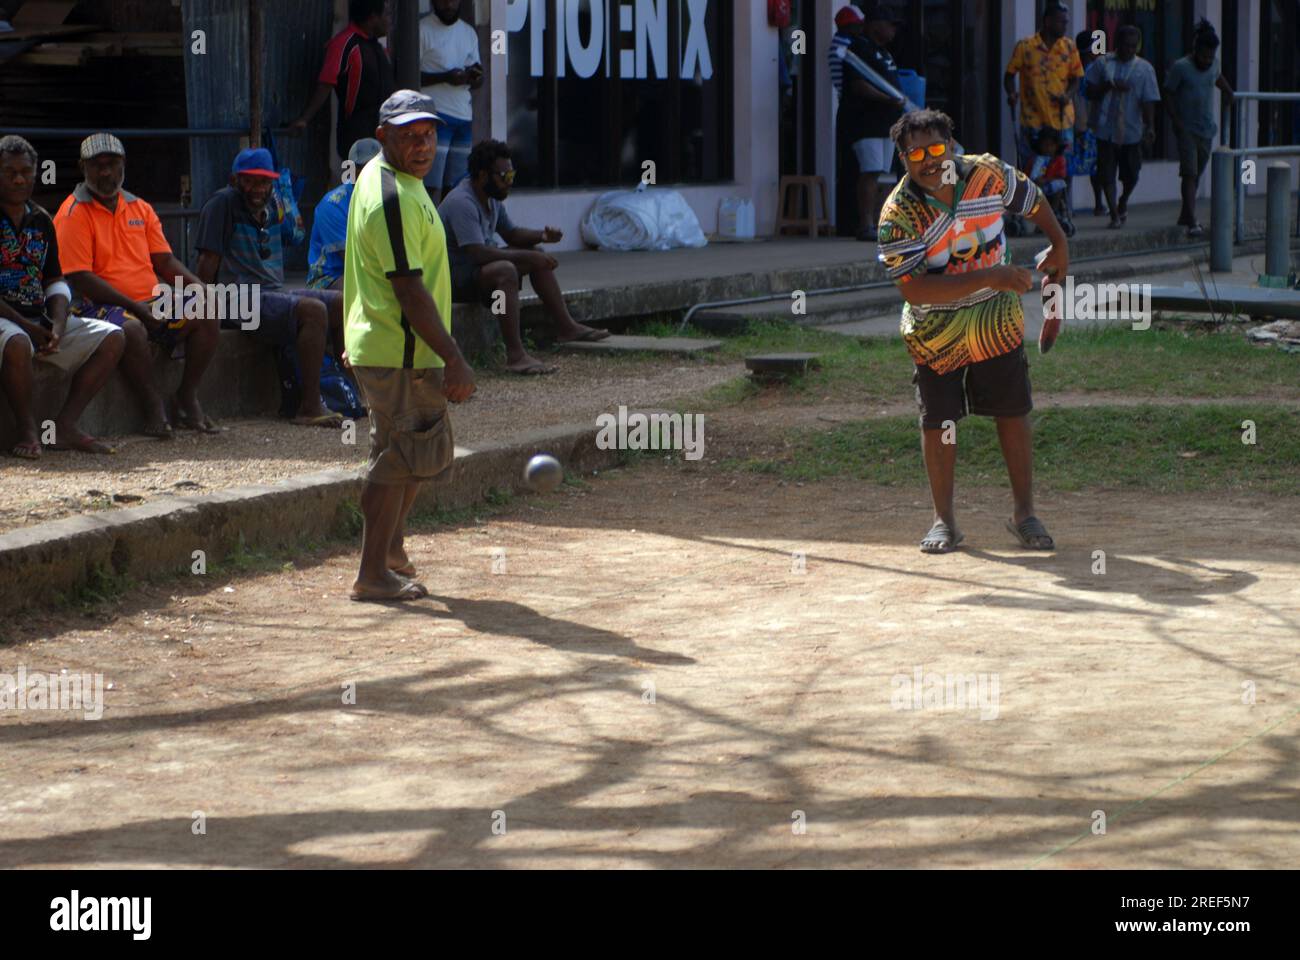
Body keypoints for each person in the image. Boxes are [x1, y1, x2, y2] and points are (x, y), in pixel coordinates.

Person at [876, 109, 1067, 555]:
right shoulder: (897, 215)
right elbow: (915, 290)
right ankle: (944, 520)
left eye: (937, 149)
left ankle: (1025, 513)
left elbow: (1032, 199)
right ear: (902, 159)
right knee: (939, 421)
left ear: (953, 147)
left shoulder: (988, 175)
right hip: (935, 335)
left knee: (1012, 411)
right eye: (915, 153)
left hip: (996, 326)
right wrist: (991, 277)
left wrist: (1059, 242)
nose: (928, 161)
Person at [344, 90, 475, 603]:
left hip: (393, 345)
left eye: (429, 135)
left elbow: (359, 272)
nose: (422, 146)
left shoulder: (391, 180)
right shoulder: (392, 195)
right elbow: (407, 288)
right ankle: (371, 573)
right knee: (398, 456)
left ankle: (389, 554)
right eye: (408, 136)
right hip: (401, 350)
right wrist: (454, 356)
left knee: (411, 450)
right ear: (383, 137)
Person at [54, 133, 219, 439]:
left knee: (208, 310)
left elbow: (165, 262)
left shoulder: (140, 208)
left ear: (123, 165)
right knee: (131, 329)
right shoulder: (73, 212)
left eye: (112, 164)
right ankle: (152, 405)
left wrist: (200, 289)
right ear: (83, 167)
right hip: (96, 305)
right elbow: (80, 277)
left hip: (150, 300)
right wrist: (136, 308)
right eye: (97, 165)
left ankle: (186, 397)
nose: (105, 172)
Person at [193, 148, 345, 428]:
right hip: (234, 298)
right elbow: (206, 263)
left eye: (264, 182)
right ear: (235, 180)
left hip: (270, 293)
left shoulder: (273, 203)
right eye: (250, 181)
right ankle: (309, 407)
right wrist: (201, 308)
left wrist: (285, 196)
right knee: (312, 311)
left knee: (341, 303)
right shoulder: (222, 203)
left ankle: (348, 389)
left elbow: (296, 236)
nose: (257, 188)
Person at [438, 139, 609, 376]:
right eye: (504, 176)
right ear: (483, 175)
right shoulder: (462, 202)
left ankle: (566, 327)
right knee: (506, 270)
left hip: (475, 271)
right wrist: (526, 256)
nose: (509, 182)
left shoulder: (491, 198)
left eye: (512, 175)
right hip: (452, 278)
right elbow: (476, 253)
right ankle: (516, 355)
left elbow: (511, 233)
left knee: (536, 256)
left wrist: (542, 236)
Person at [1, 136, 125, 458]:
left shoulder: (42, 219)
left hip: (37, 321)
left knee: (112, 336)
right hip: (8, 324)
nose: (18, 179)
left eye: (26, 172)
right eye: (9, 172)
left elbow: (55, 280)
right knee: (16, 344)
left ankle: (65, 426)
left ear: (36, 173)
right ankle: (28, 430)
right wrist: (29, 329)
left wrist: (56, 324)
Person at [830, 3, 907, 241]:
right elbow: (858, 85)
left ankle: (880, 222)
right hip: (866, 122)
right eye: (890, 25)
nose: (894, 30)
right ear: (874, 25)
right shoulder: (858, 49)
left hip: (887, 123)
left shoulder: (884, 52)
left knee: (883, 174)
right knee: (869, 171)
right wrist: (888, 98)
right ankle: (864, 224)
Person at [1004, 1, 1083, 220]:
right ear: (1047, 21)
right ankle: (1032, 211)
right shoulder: (1026, 47)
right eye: (1061, 21)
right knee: (1032, 169)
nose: (1064, 26)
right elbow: (1009, 75)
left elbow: (1077, 79)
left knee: (1061, 168)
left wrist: (1067, 95)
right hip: (1033, 119)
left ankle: (1062, 210)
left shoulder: (1069, 47)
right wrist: (1011, 93)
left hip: (1061, 119)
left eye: (1066, 22)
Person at [290, 0, 394, 161]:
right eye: (387, 14)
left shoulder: (378, 47)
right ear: (373, 17)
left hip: (382, 135)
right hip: (354, 137)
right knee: (350, 182)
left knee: (379, 183)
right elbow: (326, 82)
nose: (389, 20)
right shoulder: (344, 43)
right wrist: (304, 118)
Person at [1086, 24, 1160, 230]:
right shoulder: (1103, 64)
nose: (1129, 50)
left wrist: (1150, 126)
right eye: (1126, 45)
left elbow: (1149, 100)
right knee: (1106, 172)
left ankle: (1123, 200)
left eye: (1133, 46)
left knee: (1132, 173)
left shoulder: (1144, 69)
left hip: (1131, 129)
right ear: (1117, 43)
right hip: (1105, 128)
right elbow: (1089, 90)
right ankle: (1114, 213)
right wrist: (1108, 85)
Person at [1165, 19, 1234, 238]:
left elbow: (1217, 77)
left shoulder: (1214, 65)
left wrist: (1229, 92)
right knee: (1189, 174)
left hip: (1206, 129)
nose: (1206, 61)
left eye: (1209, 57)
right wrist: (1175, 119)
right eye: (1203, 56)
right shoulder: (1181, 67)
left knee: (1197, 174)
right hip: (1186, 128)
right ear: (1195, 50)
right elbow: (1168, 92)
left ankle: (1186, 214)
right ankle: (1193, 220)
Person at [419, 0, 483, 202]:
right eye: (443, 1)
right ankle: (424, 231)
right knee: (429, 186)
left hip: (463, 117)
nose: (448, 5)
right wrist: (445, 77)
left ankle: (446, 232)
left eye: (453, 0)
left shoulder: (468, 33)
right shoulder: (422, 30)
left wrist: (476, 77)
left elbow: (478, 74)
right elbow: (408, 75)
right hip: (435, 116)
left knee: (456, 188)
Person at [307, 138, 383, 291]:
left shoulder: (390, 197)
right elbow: (352, 262)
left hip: (375, 271)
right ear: (351, 170)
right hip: (330, 277)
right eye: (361, 167)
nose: (367, 172)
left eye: (375, 166)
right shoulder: (333, 205)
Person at [1073, 29, 1104, 217]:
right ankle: (1068, 205)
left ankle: (1098, 203)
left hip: (1089, 121)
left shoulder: (1095, 68)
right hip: (1080, 120)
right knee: (1068, 165)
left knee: (1096, 166)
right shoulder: (1080, 69)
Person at [1029, 128, 1073, 235]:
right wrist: (1038, 180)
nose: (1048, 148)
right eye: (1045, 145)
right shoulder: (1038, 159)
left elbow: (1061, 176)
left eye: (1051, 145)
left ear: (1056, 146)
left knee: (1060, 186)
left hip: (1052, 185)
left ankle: (1053, 211)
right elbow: (1032, 175)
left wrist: (1047, 180)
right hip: (1038, 188)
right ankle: (1043, 220)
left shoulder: (1059, 159)